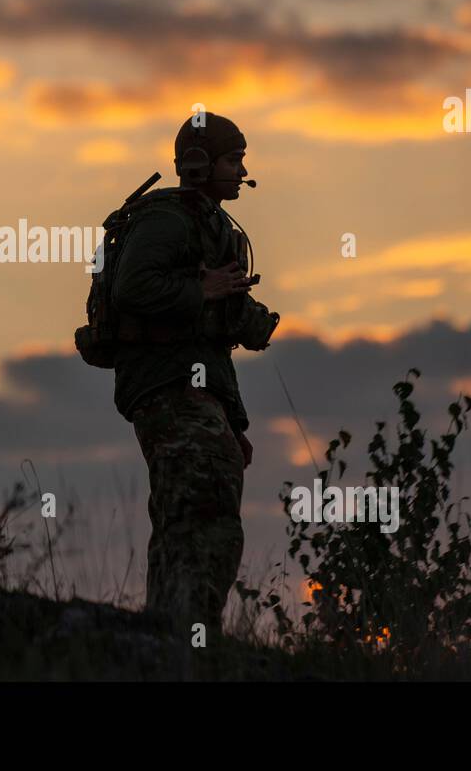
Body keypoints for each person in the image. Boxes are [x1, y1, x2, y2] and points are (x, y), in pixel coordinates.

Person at [111, 112, 279, 635]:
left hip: (196, 388)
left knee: (198, 510)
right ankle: (181, 637)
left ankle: (176, 636)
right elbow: (132, 288)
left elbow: (214, 338)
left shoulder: (212, 225)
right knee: (197, 510)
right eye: (234, 159)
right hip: (165, 384)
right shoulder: (166, 219)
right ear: (200, 164)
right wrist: (200, 292)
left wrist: (233, 421)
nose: (242, 169)